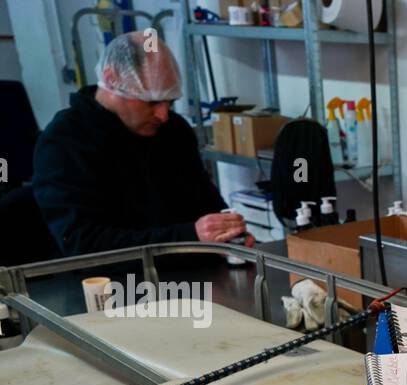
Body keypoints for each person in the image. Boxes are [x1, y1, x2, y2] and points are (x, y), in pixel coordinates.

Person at [33, 33, 249, 256]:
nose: (163, 115)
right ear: (111, 80)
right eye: (152, 101)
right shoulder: (64, 142)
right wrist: (189, 237)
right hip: (113, 284)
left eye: (170, 101)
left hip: (189, 273)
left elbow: (206, 203)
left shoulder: (173, 131)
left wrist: (229, 233)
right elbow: (83, 244)